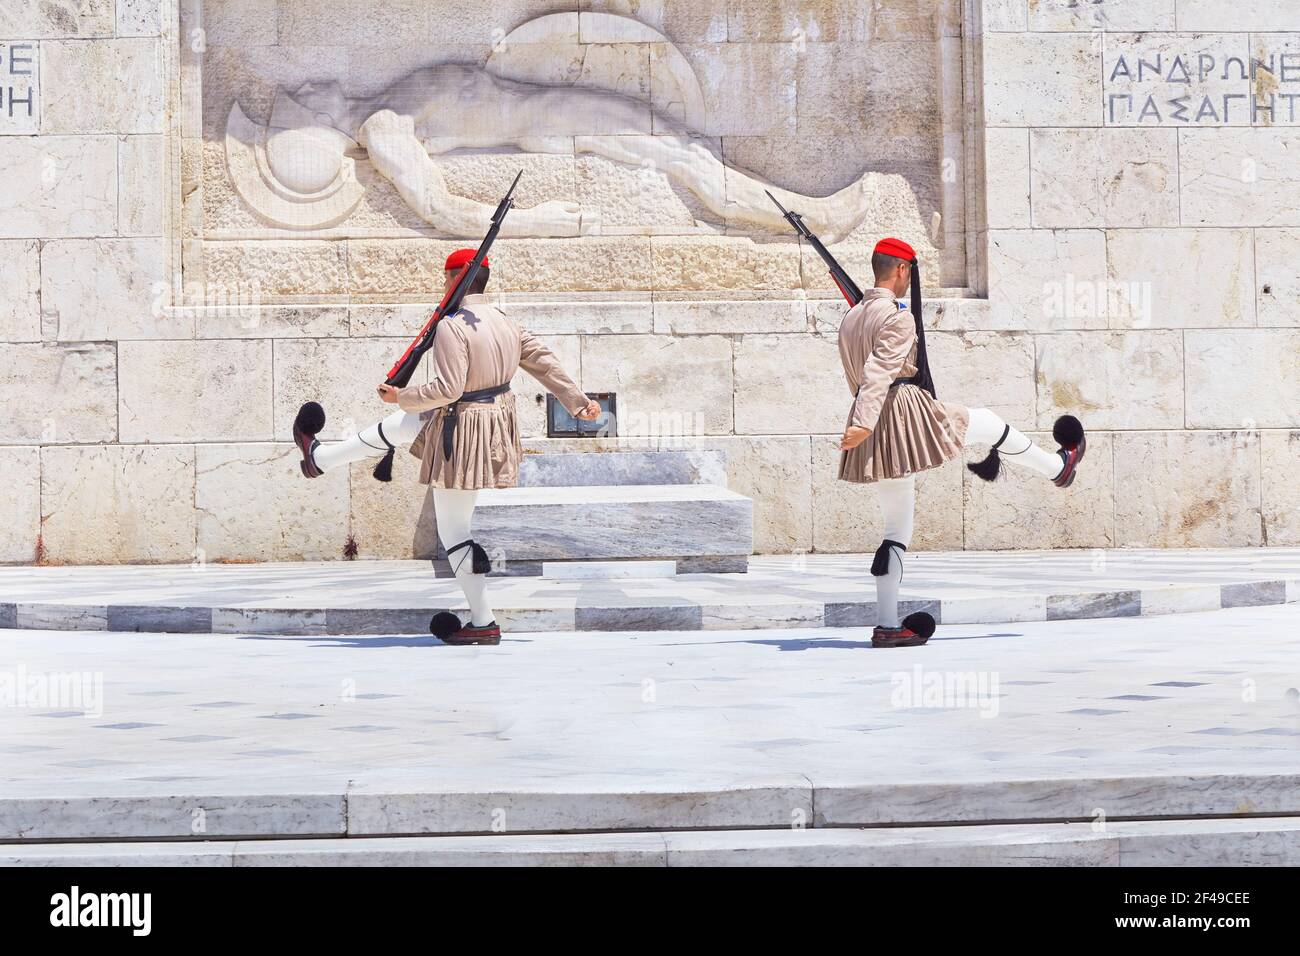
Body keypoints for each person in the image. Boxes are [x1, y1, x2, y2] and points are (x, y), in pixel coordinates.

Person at [292, 249, 600, 645]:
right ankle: (320, 459)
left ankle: (483, 621)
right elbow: (546, 365)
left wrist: (401, 395)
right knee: (404, 429)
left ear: (454, 280)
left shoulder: (451, 327)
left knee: (455, 530)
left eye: (444, 280)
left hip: (462, 428)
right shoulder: (507, 323)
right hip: (491, 425)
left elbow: (448, 390)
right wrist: (579, 402)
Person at [838, 237, 1086, 648]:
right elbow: (880, 372)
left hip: (875, 423)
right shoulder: (897, 317)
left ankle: (887, 625)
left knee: (896, 526)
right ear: (901, 271)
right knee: (987, 421)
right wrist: (863, 423)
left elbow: (862, 376)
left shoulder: (850, 319)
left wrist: (864, 423)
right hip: (900, 412)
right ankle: (1058, 469)